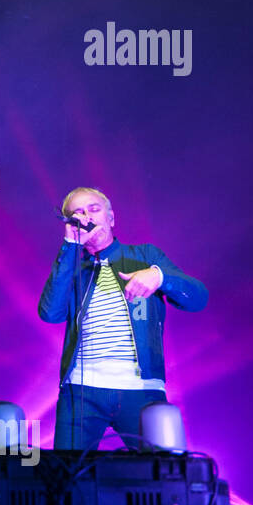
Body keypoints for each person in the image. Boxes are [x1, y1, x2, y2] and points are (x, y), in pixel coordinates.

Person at [37, 187, 207, 451]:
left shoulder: (145, 256)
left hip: (142, 389)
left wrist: (160, 277)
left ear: (111, 217)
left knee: (162, 478)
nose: (87, 217)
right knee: (67, 482)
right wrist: (70, 247)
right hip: (81, 392)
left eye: (94, 209)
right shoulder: (73, 269)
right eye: (77, 213)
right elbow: (50, 313)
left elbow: (197, 299)